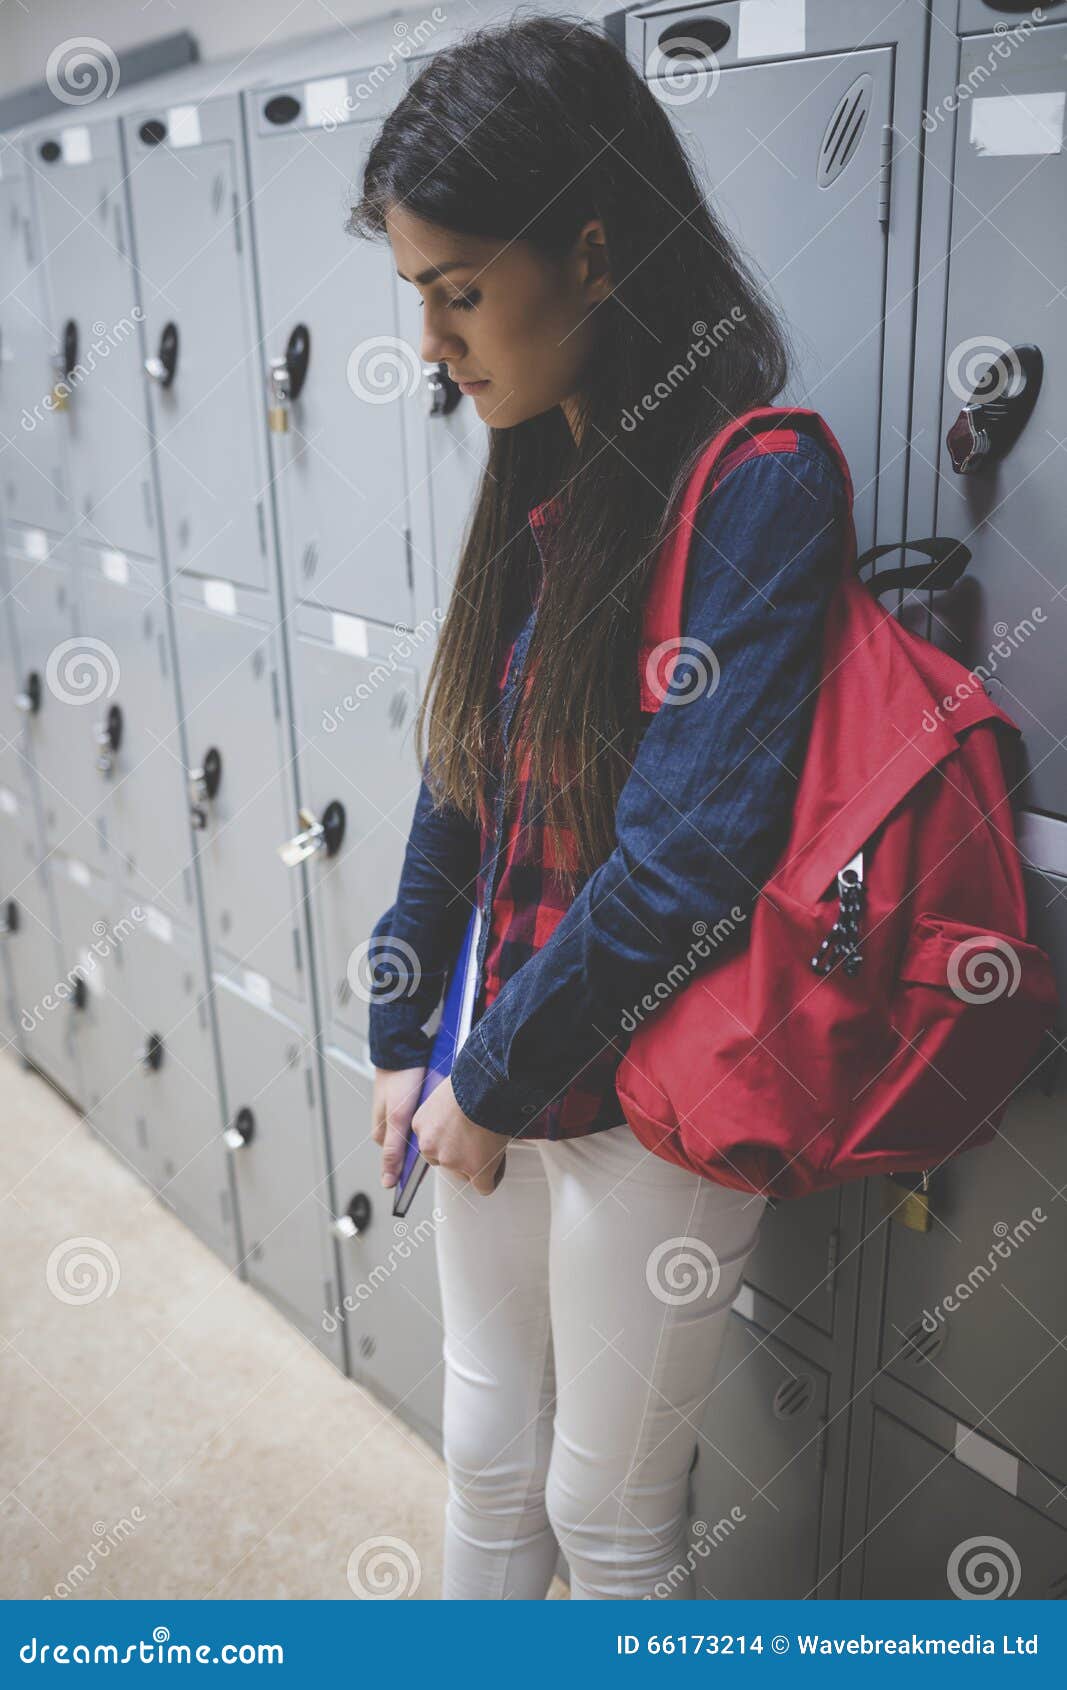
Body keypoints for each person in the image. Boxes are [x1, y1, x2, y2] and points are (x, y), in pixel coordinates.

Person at [350, 12, 848, 1600]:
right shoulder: (537, 447)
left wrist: (482, 1082)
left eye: (460, 293)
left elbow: (690, 862)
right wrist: (404, 1012)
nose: (433, 345)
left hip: (652, 1086)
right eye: (417, 298)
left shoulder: (762, 480)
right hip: (495, 1051)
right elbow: (468, 766)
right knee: (489, 1461)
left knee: (610, 1513)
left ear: (593, 250)